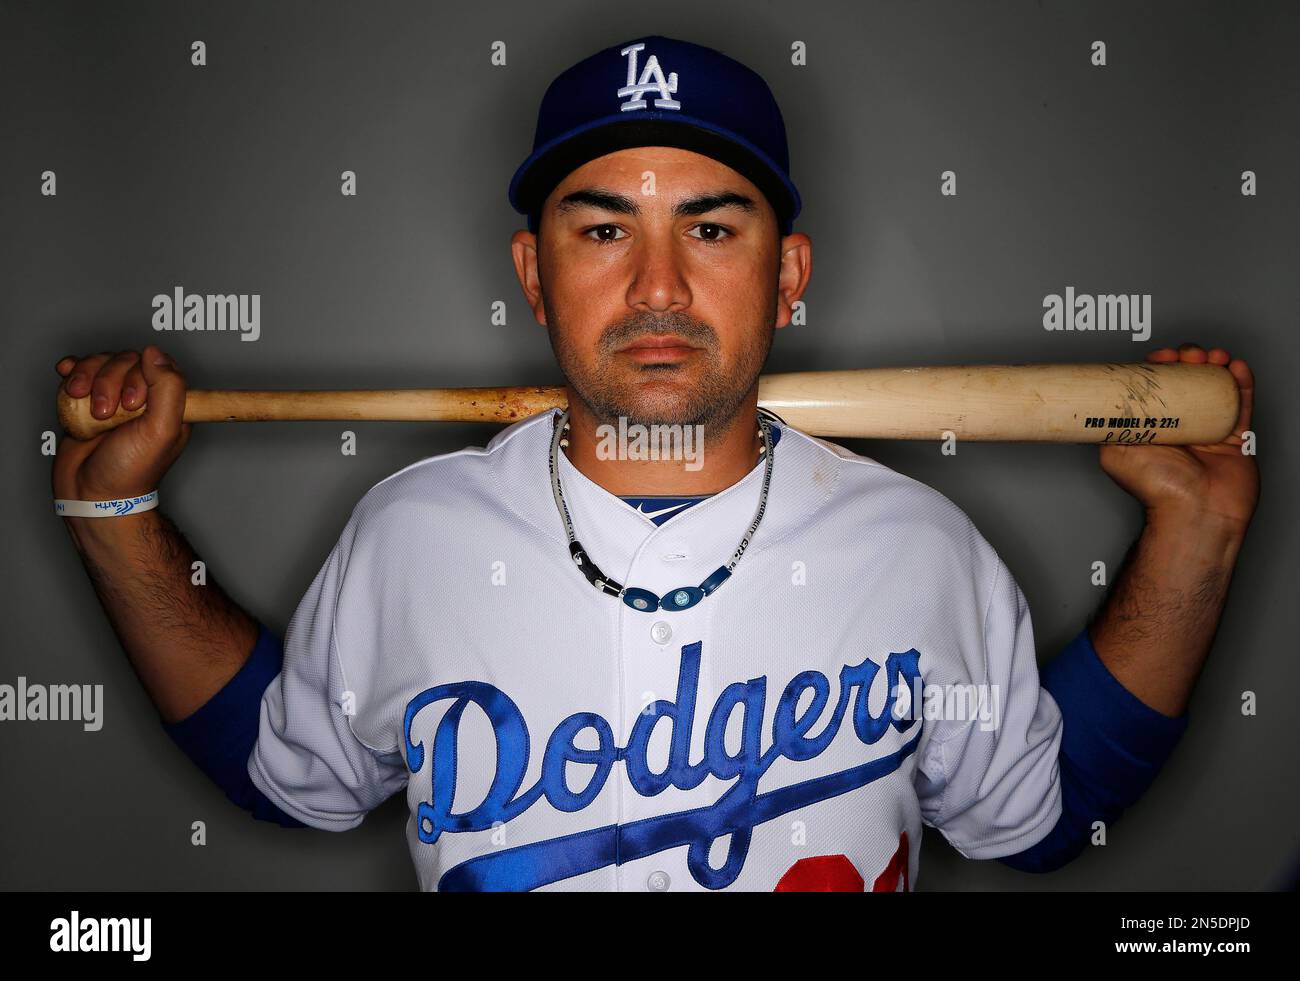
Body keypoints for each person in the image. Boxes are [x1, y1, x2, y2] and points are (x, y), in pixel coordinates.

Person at [51, 35, 1258, 891]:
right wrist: (115, 513)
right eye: (602, 229)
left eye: (713, 227)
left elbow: (1038, 816)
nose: (659, 289)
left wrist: (1194, 539)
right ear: (535, 274)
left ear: (787, 275)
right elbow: (284, 769)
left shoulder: (921, 547)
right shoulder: (408, 535)